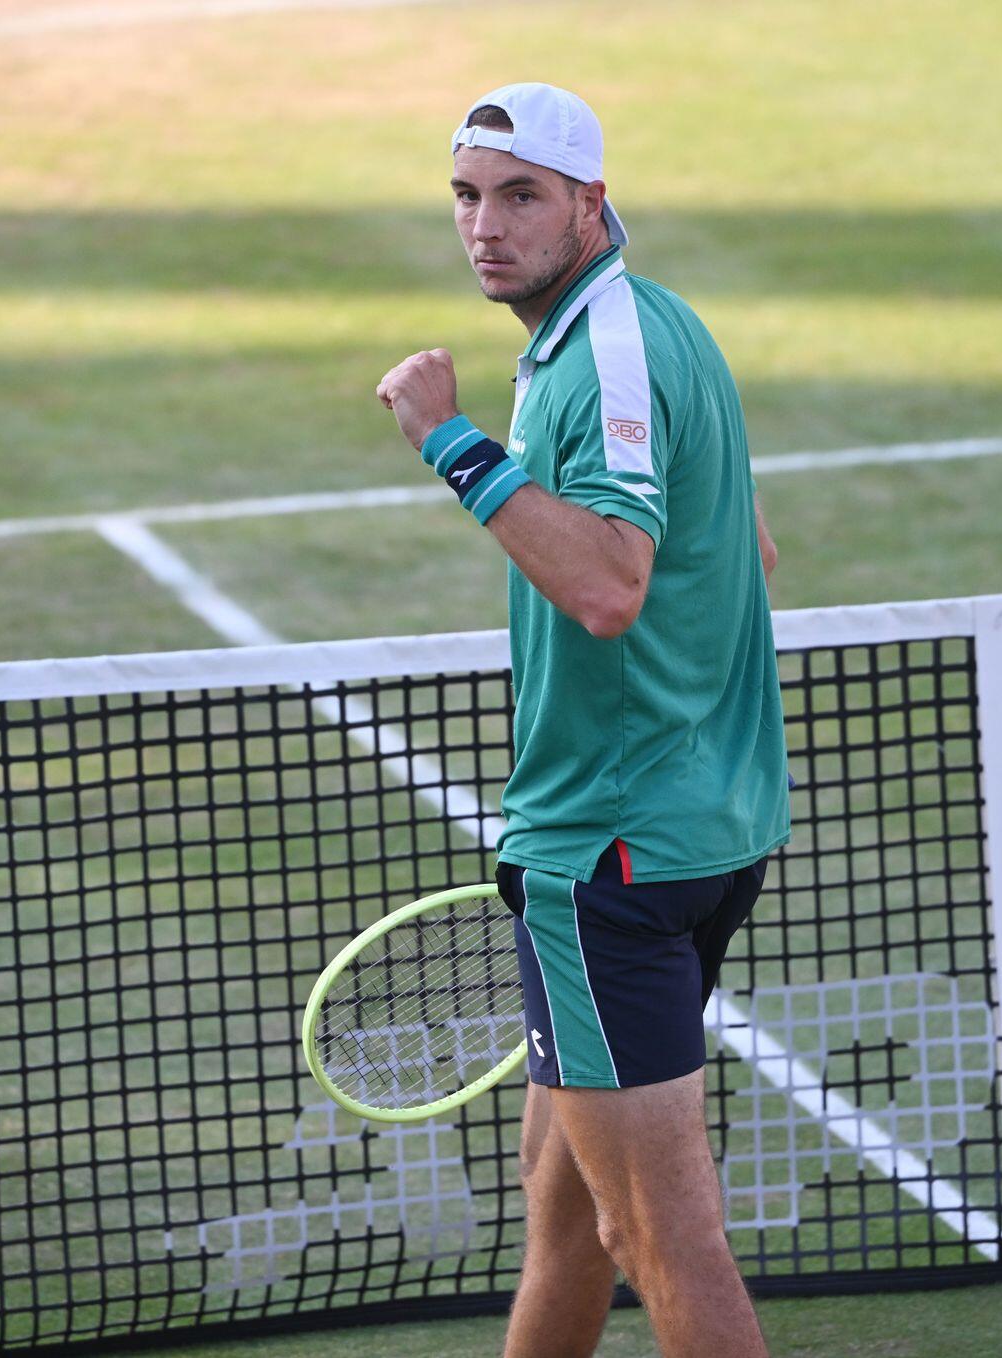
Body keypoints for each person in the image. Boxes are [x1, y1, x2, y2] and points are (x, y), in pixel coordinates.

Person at [374, 82, 789, 1358]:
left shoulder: (601, 353)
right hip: (707, 828)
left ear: (588, 205)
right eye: (465, 195)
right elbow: (748, 552)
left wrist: (452, 442)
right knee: (566, 1221)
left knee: (663, 1237)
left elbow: (610, 586)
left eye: (519, 196)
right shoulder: (653, 327)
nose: (484, 227)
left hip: (605, 857)